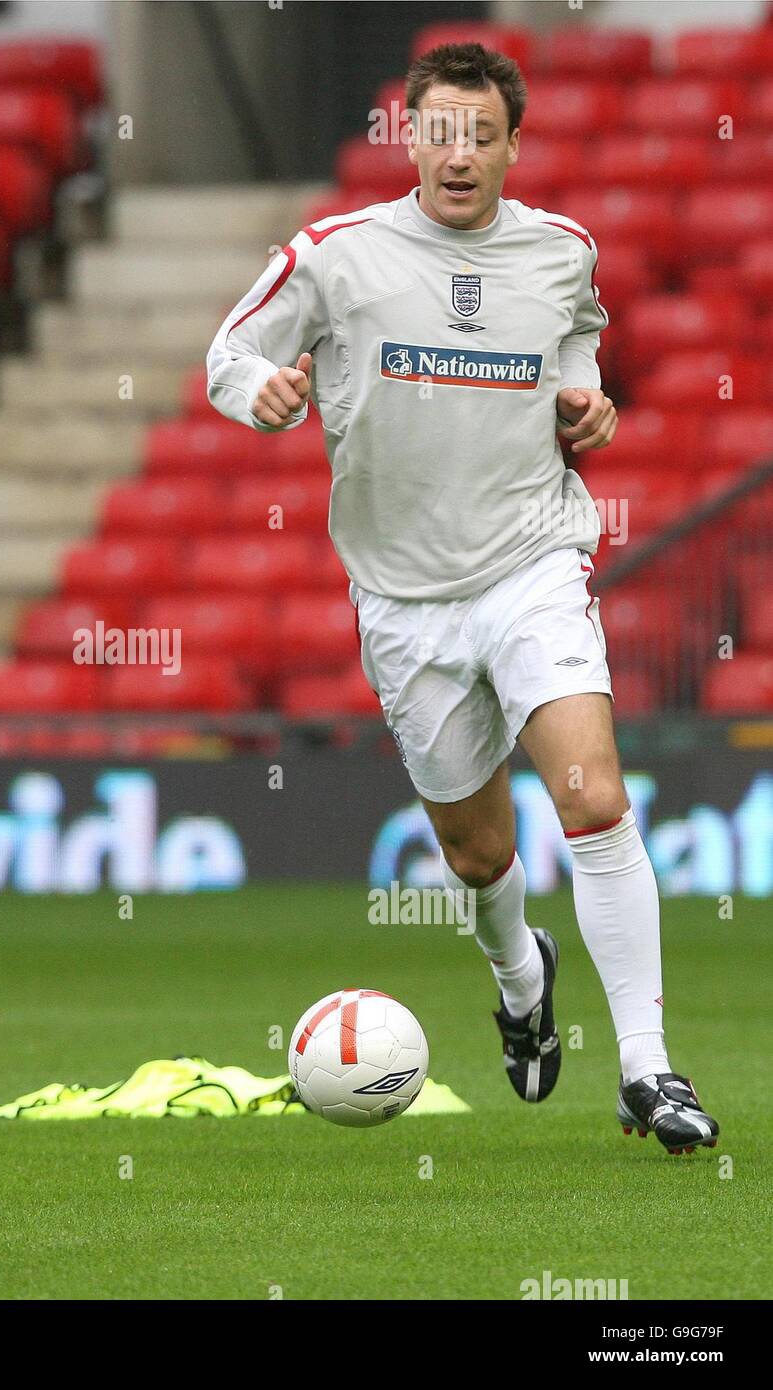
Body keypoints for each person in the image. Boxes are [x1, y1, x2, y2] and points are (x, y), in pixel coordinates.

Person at [207, 44, 718, 1154]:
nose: (459, 155)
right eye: (439, 133)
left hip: (531, 564)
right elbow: (227, 352)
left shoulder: (561, 252)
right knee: (481, 854)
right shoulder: (336, 256)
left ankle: (648, 1067)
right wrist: (264, 390)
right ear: (409, 141)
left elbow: (581, 351)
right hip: (404, 600)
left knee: (592, 799)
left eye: (481, 135)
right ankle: (519, 974)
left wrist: (594, 409)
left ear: (510, 147)